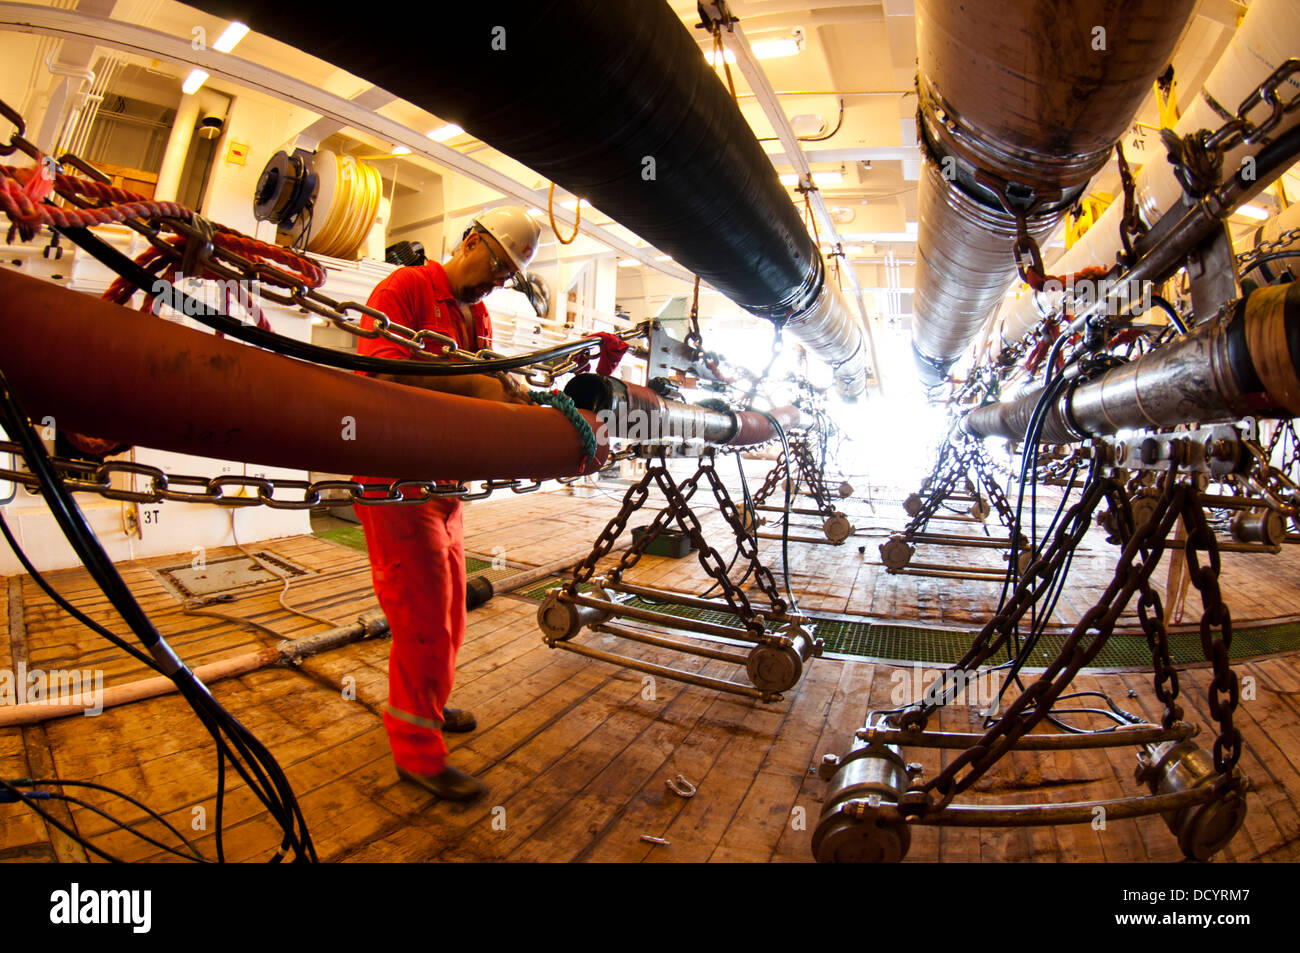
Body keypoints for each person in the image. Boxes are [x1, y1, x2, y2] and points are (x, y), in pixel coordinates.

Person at [352, 207, 542, 801]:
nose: (497, 281)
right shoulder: (405, 288)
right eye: (496, 265)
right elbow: (381, 374)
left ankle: (425, 707)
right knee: (424, 615)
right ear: (470, 241)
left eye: (509, 275)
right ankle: (416, 754)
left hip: (443, 487)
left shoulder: (477, 315)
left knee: (452, 611)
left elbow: (478, 388)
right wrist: (478, 385)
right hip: (396, 483)